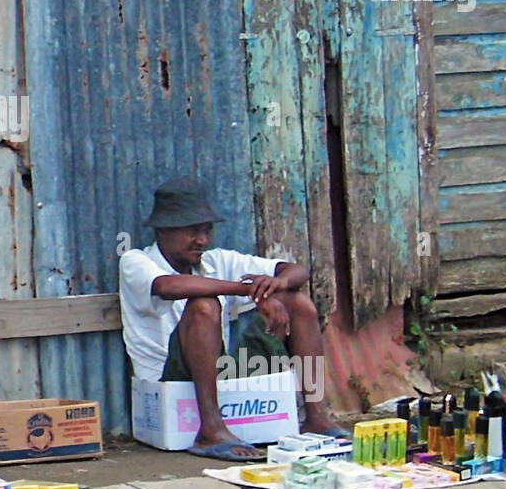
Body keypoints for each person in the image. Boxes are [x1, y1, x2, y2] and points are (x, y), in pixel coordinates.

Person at [119, 177, 346, 461]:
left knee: (297, 301)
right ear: (163, 230)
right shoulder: (136, 261)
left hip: (218, 370)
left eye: (206, 231)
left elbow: (296, 270)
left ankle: (316, 417)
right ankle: (210, 431)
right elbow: (169, 287)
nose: (201, 240)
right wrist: (253, 291)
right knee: (204, 305)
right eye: (192, 231)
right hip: (169, 377)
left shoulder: (216, 261)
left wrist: (274, 287)